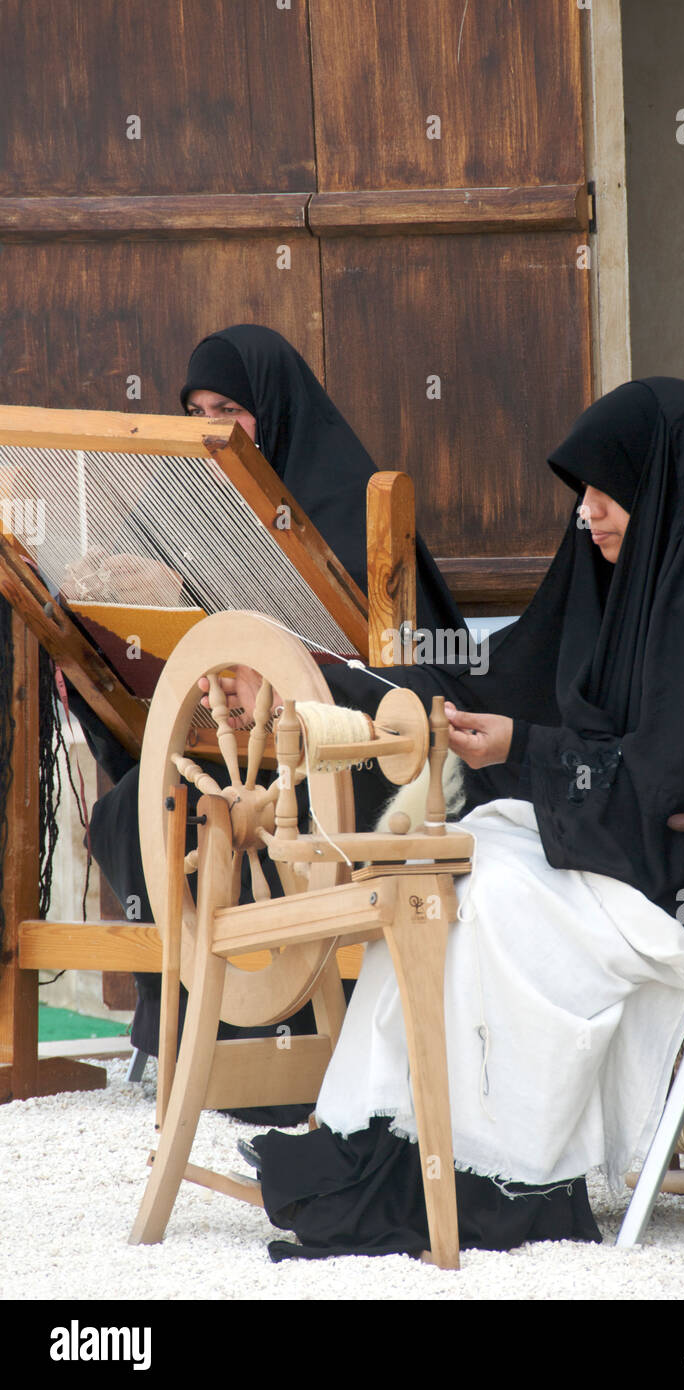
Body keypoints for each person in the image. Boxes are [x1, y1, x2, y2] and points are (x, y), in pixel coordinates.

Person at [232, 377, 684, 1258]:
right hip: (655, 852)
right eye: (585, 496)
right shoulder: (639, 573)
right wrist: (332, 677)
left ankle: (505, 1173)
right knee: (449, 865)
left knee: (488, 893)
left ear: (662, 485)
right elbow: (506, 678)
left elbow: (682, 785)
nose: (590, 516)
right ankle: (381, 1136)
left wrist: (526, 750)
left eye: (608, 494)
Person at [71, 324, 466, 1066]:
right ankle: (192, 1040)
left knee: (251, 821)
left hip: (336, 766)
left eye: (228, 407)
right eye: (193, 412)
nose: (210, 428)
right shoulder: (179, 509)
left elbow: (410, 682)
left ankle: (282, 1047)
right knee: (133, 811)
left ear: (274, 411)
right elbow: (135, 670)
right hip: (230, 762)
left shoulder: (353, 510)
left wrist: (275, 687)